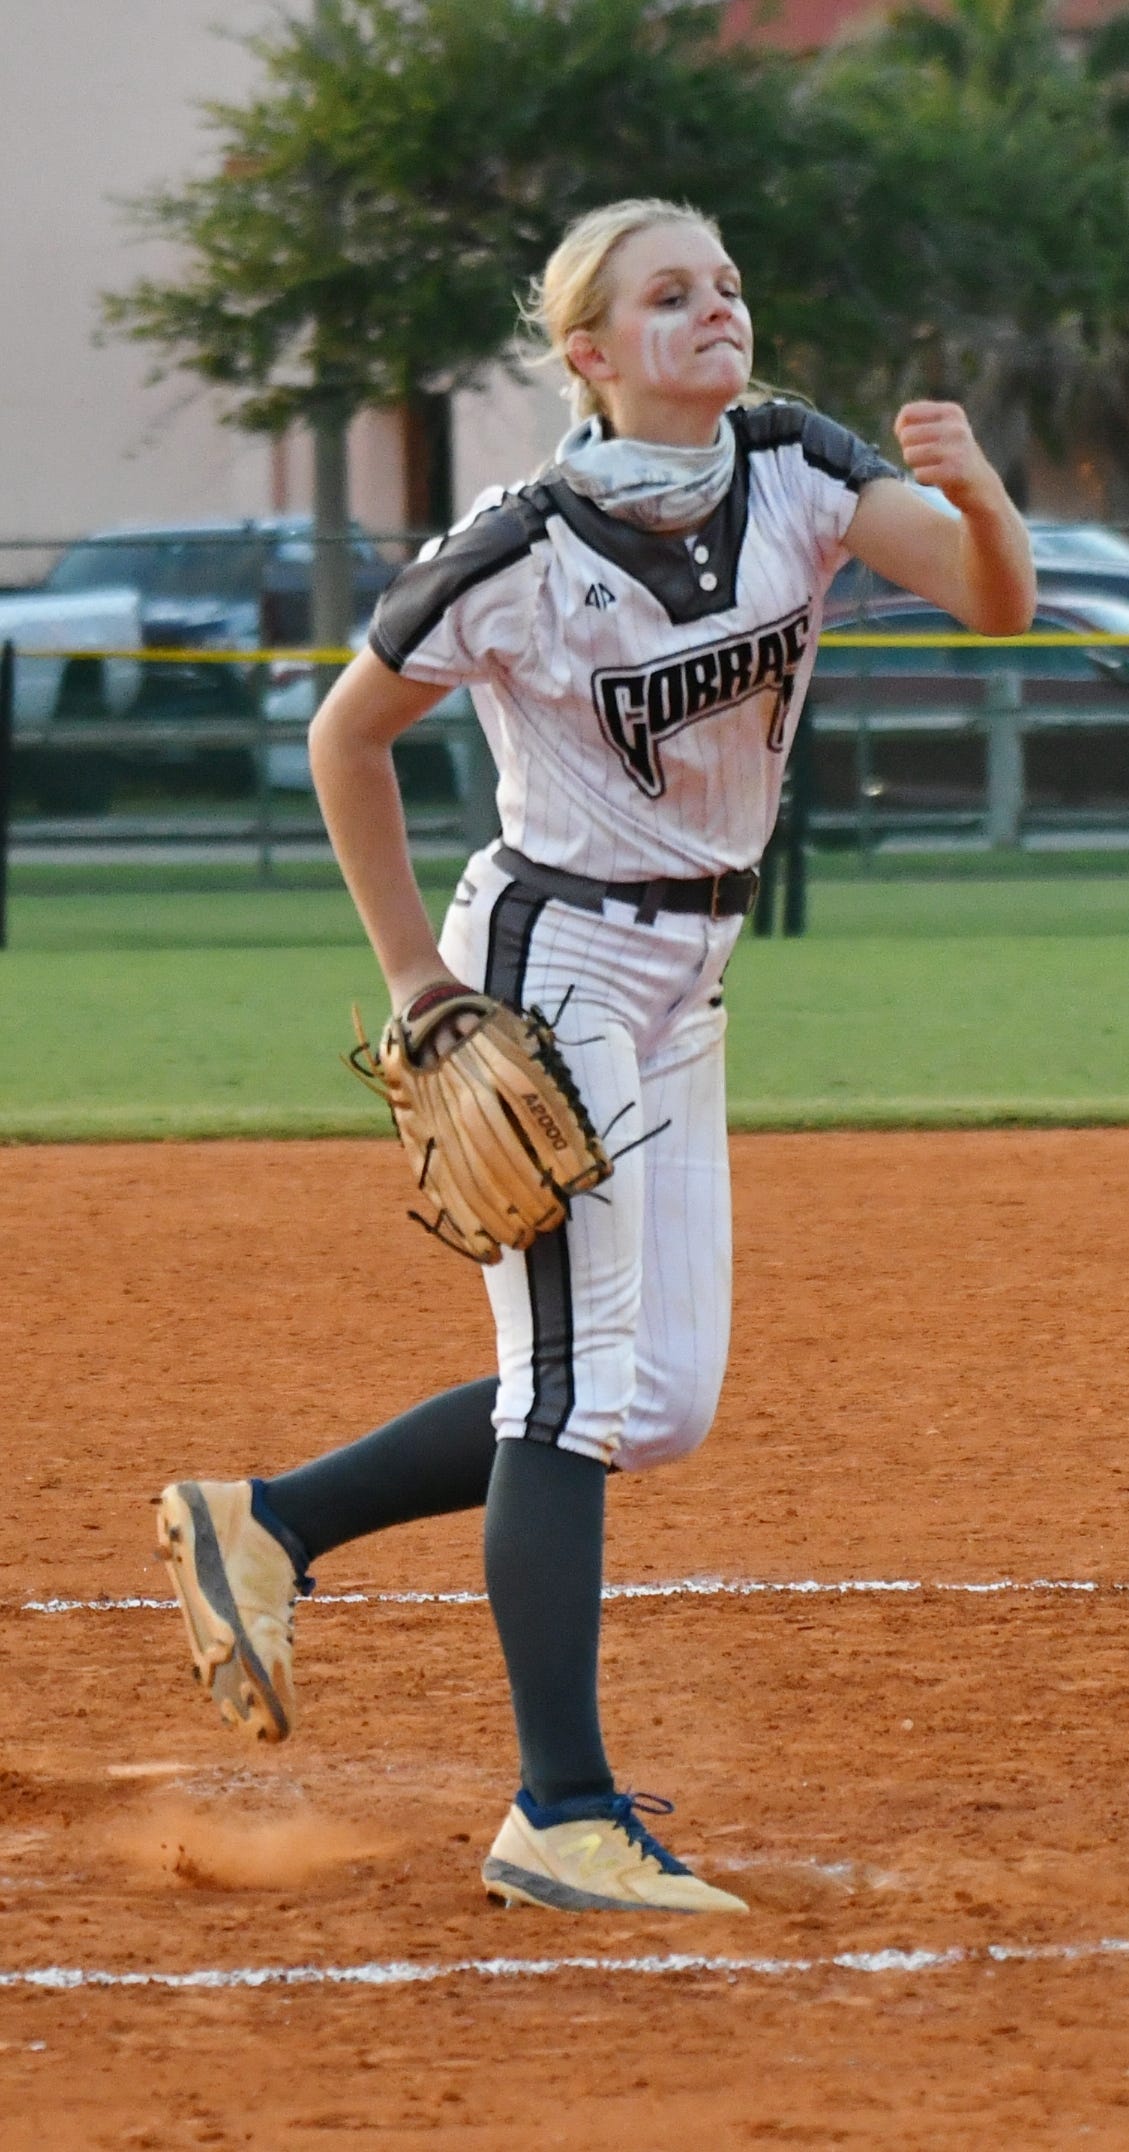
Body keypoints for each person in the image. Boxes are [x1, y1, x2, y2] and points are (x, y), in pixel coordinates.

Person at [150, 198, 1034, 1915]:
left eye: (723, 284)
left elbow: (990, 603)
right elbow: (346, 735)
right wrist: (416, 983)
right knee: (575, 1388)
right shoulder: (519, 547)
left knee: (658, 1403)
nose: (717, 310)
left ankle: (266, 1525)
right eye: (667, 295)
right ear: (588, 355)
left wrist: (986, 493)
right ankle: (560, 1808)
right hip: (549, 962)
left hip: (689, 971)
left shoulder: (798, 466)